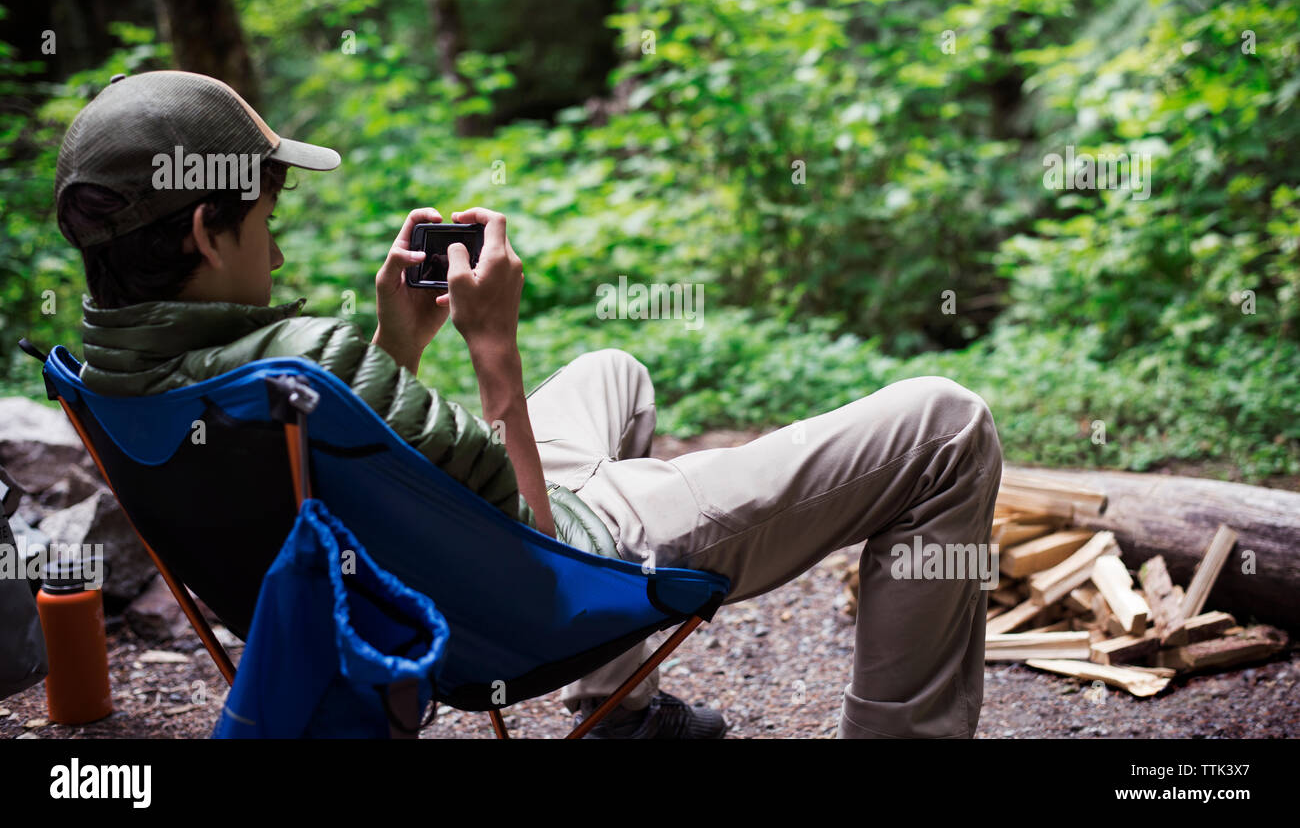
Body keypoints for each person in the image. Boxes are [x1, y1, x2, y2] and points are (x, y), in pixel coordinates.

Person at [54, 70, 1002, 739]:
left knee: (612, 370)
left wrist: (402, 351)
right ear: (205, 230)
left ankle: (619, 712)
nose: (282, 254)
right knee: (946, 421)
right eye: (268, 222)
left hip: (419, 574)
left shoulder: (109, 385)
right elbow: (536, 559)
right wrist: (494, 353)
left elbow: (355, 482)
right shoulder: (308, 366)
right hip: (556, 574)